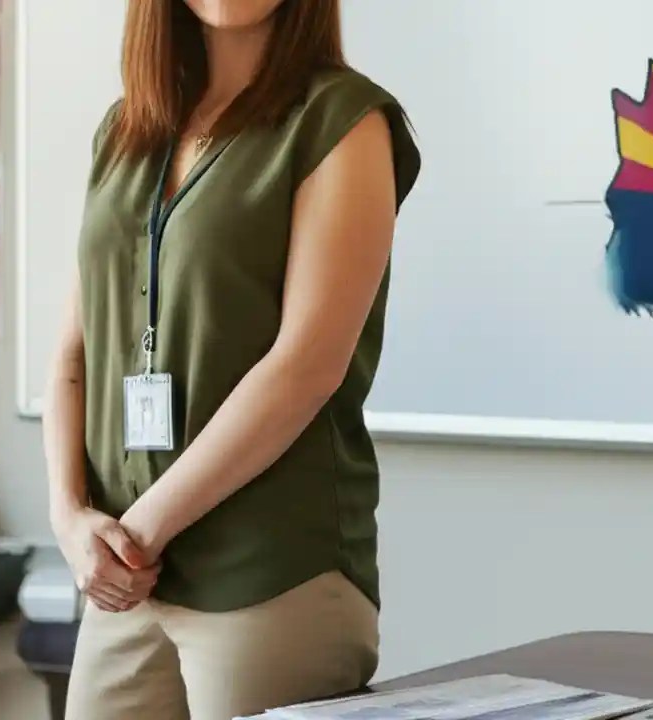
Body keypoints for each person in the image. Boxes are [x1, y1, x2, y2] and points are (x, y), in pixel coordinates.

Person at [43, 1, 419, 717]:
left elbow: (304, 368)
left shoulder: (343, 120)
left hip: (268, 575)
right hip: (126, 579)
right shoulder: (126, 129)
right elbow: (71, 352)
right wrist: (68, 519)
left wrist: (139, 536)